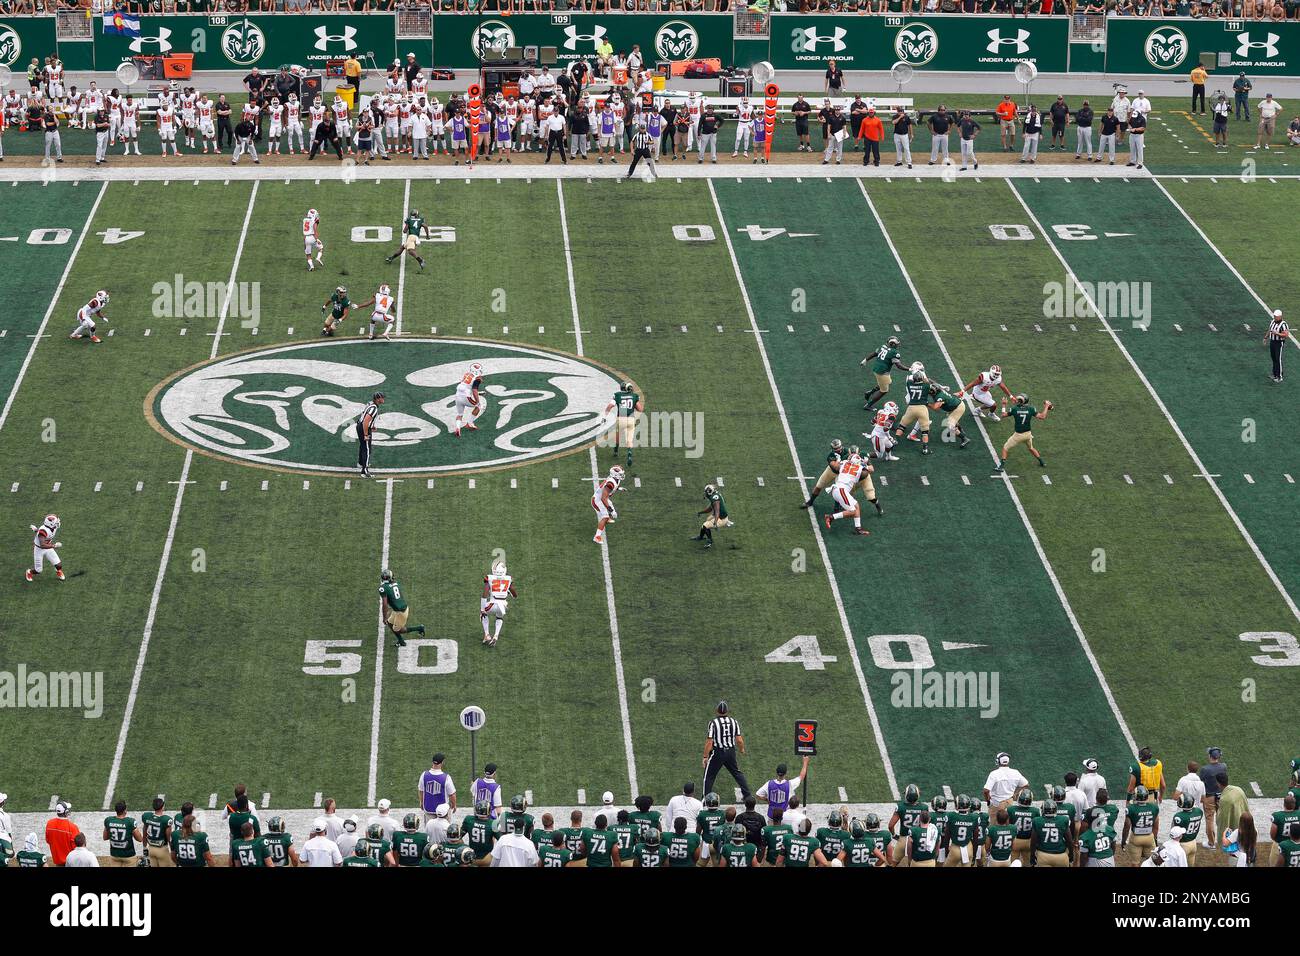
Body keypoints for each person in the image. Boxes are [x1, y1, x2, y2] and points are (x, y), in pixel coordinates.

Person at [702, 700, 751, 799]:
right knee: (737, 773)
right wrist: (742, 749)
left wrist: (705, 756)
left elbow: (709, 742)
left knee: (709, 776)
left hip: (718, 752)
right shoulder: (734, 722)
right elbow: (739, 740)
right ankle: (747, 795)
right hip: (730, 752)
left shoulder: (713, 723)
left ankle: (705, 799)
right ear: (727, 711)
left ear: (717, 710)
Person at [1265, 308, 1288, 383]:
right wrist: (1265, 337)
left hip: (1279, 343)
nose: (1274, 317)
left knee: (1278, 359)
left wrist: (1277, 333)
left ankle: (1279, 376)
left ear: (1280, 316)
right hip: (1272, 342)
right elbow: (1269, 330)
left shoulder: (1283, 324)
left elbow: (1286, 335)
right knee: (1274, 358)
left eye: (1276, 316)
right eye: (1274, 316)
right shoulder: (1273, 321)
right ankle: (1274, 374)